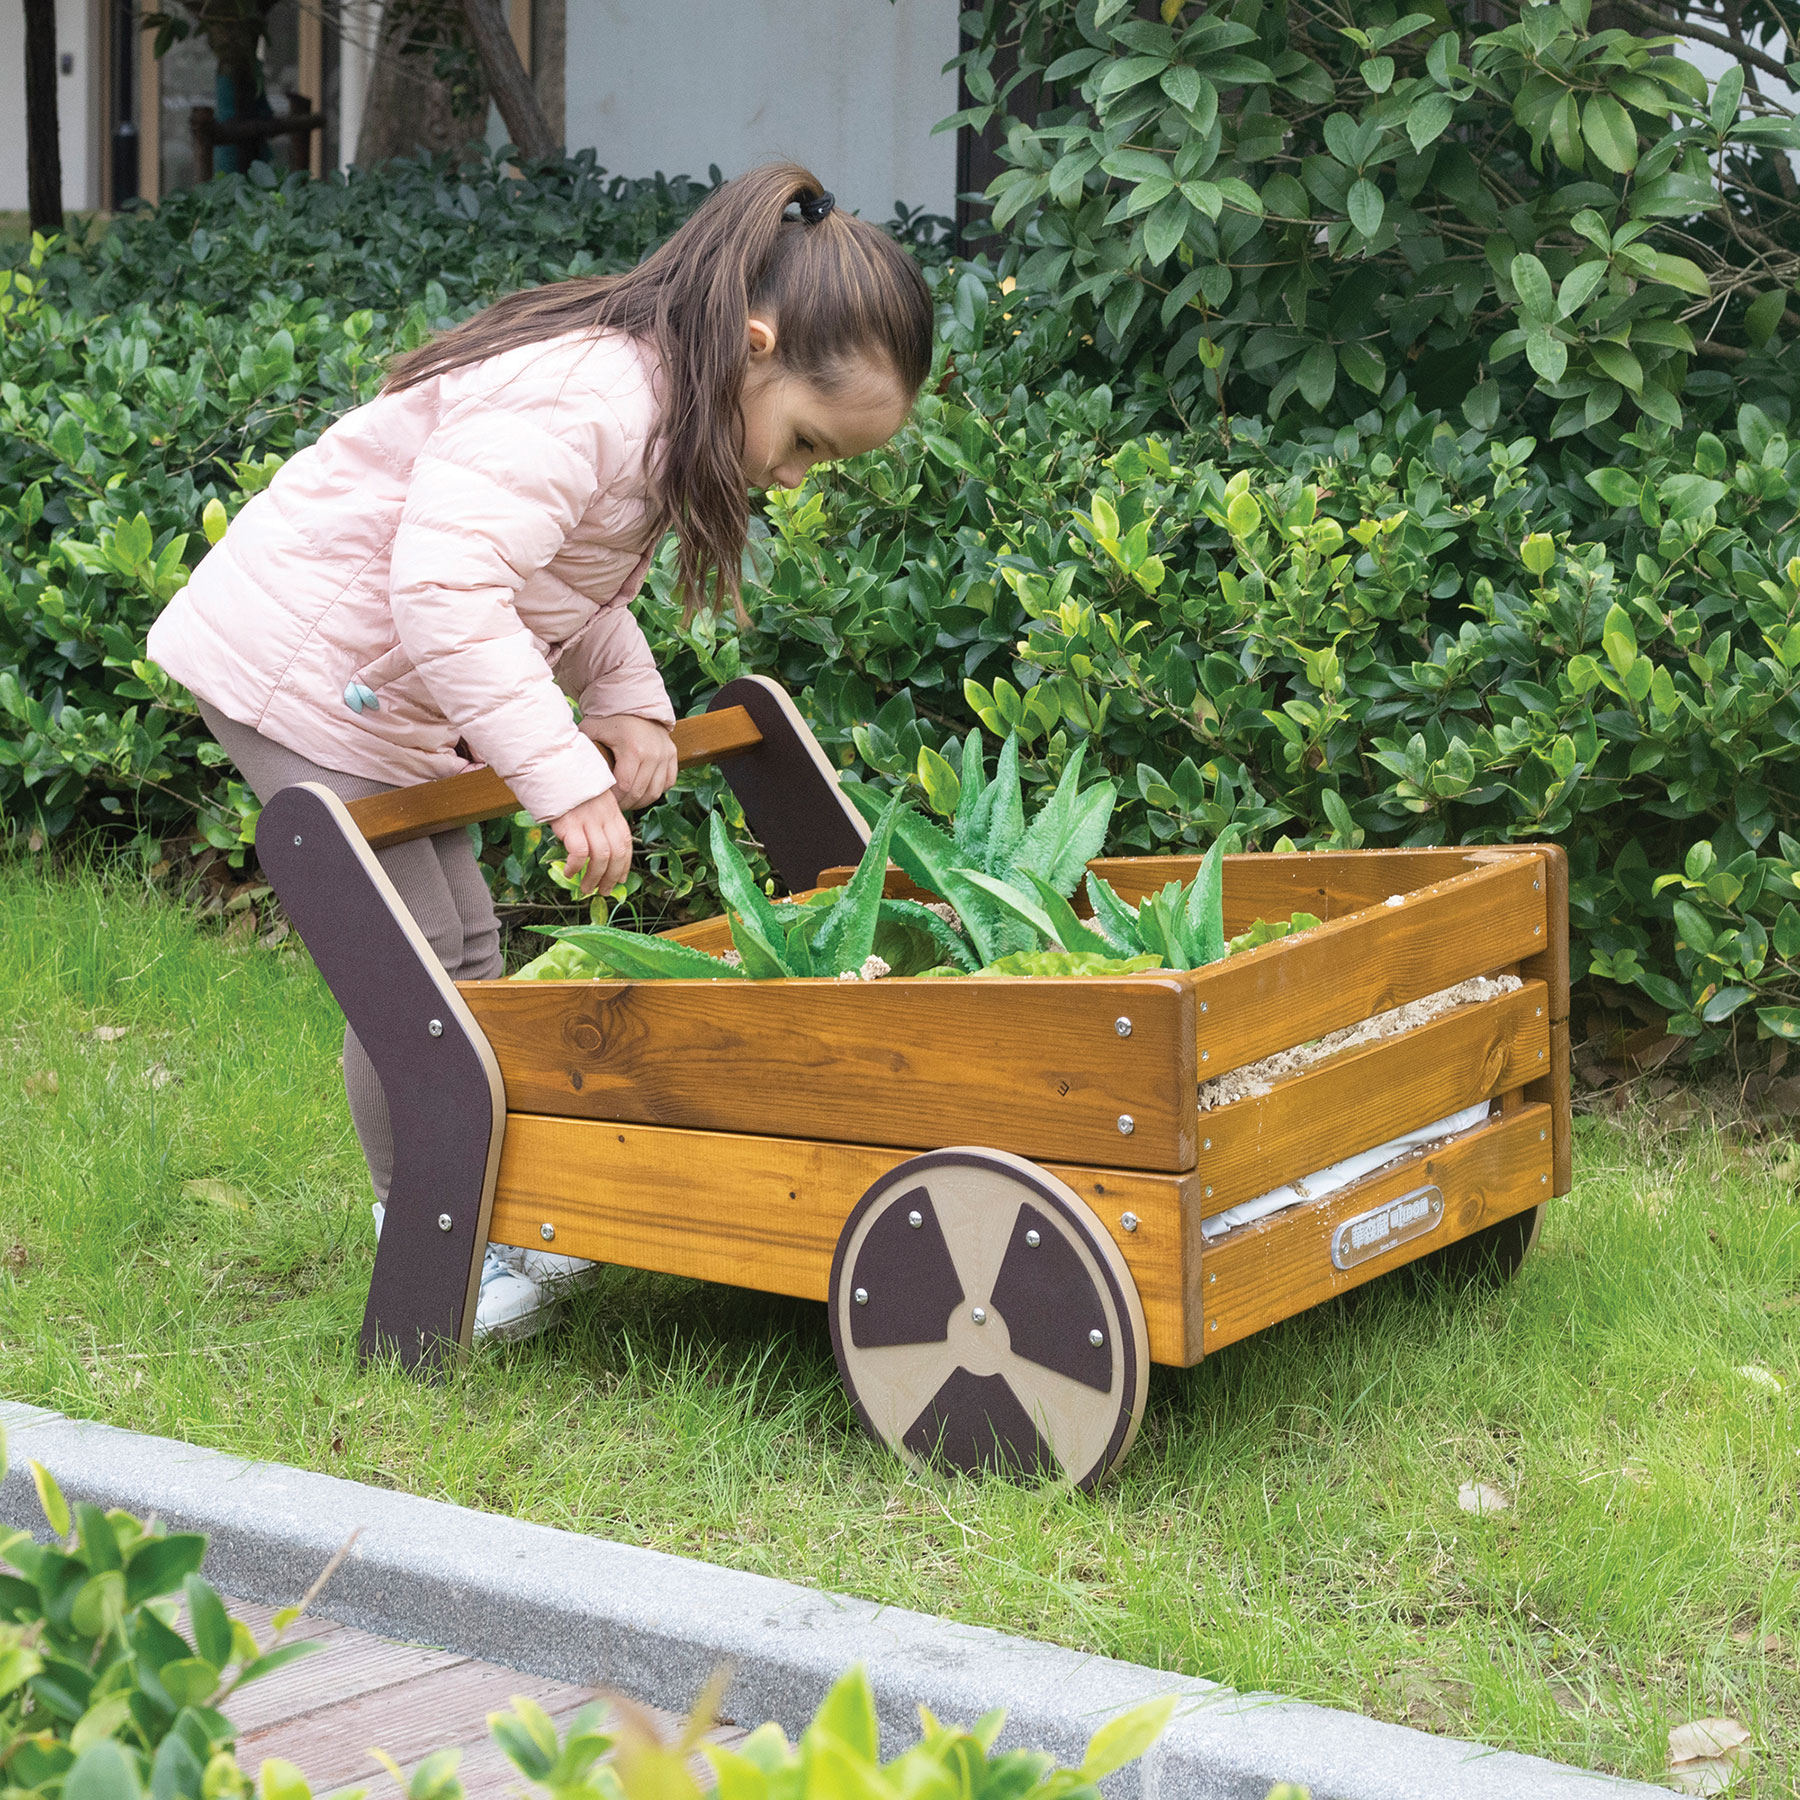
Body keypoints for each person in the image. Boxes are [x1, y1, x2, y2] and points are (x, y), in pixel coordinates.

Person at [147, 163, 934, 1342]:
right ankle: (424, 1232)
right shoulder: (591, 399)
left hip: (385, 683)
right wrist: (563, 774)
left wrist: (624, 701)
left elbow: (565, 582)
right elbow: (451, 586)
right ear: (756, 345)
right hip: (300, 668)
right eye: (808, 445)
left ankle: (475, 1210)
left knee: (465, 944)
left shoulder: (661, 402)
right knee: (412, 969)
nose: (790, 478)